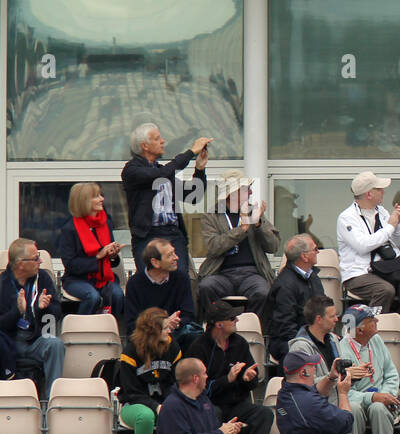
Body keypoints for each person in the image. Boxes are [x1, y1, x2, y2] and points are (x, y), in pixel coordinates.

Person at [185, 301, 271, 434]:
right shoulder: (198, 347)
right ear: (218, 324)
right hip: (209, 405)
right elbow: (196, 390)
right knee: (212, 414)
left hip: (236, 404)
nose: (237, 320)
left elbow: (252, 380)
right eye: (232, 318)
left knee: (264, 414)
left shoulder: (240, 343)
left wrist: (247, 379)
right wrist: (227, 379)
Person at [121, 123, 209, 271]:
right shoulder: (132, 170)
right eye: (157, 138)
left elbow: (194, 196)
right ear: (145, 146)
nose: (163, 141)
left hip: (173, 234)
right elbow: (157, 176)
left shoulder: (163, 171)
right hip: (147, 235)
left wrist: (199, 169)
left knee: (180, 278)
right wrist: (191, 152)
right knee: (149, 278)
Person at [197, 169, 280, 317]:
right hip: (221, 273)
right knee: (206, 287)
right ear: (232, 193)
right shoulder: (212, 215)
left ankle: (252, 331)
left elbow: (273, 246)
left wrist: (259, 224)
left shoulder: (254, 212)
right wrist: (242, 230)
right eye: (246, 189)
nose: (250, 193)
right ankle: (217, 328)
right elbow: (213, 247)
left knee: (262, 292)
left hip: (252, 273)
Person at [337, 304, 400, 434]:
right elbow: (342, 391)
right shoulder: (341, 351)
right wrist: (372, 397)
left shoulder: (376, 340)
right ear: (359, 330)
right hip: (357, 399)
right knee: (353, 409)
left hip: (380, 399)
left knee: (379, 408)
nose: (377, 320)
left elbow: (391, 374)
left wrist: (386, 395)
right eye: (372, 319)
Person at [337, 171, 400, 312]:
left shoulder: (382, 212)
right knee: (385, 290)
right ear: (369, 194)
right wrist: (390, 226)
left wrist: (397, 222)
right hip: (358, 274)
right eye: (379, 189)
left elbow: (399, 244)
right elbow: (363, 245)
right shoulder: (346, 218)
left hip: (386, 268)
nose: (383, 192)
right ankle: (373, 326)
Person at [1, 238, 64, 391]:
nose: (40, 261)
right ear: (20, 264)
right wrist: (18, 312)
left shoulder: (42, 279)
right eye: (36, 258)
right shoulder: (2, 285)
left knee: (55, 344)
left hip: (35, 339)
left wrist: (44, 308)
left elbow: (57, 313)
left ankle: (53, 400)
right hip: (10, 342)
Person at [117, 307, 184, 434]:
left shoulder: (172, 347)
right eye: (165, 328)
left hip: (164, 402)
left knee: (182, 409)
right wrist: (156, 406)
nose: (169, 331)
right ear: (153, 331)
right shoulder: (131, 350)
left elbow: (175, 383)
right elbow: (131, 392)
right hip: (134, 404)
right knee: (146, 416)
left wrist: (168, 404)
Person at [57, 182, 124, 317]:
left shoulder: (106, 223)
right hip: (77, 279)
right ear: (84, 202)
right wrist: (99, 256)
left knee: (117, 295)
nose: (102, 199)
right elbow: (70, 265)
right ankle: (81, 330)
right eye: (96, 196)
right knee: (92, 297)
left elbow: (112, 263)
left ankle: (111, 331)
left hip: (104, 278)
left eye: (101, 195)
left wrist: (112, 255)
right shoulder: (69, 229)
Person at [262, 234, 323, 362]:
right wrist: (307, 342)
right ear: (304, 256)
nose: (318, 252)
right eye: (315, 249)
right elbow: (285, 326)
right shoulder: (285, 285)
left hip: (312, 335)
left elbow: (324, 307)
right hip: (290, 342)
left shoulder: (313, 277)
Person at [122, 238, 198, 339]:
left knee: (193, 335)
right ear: (155, 262)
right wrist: (161, 325)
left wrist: (176, 323)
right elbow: (132, 323)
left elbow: (188, 314)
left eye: (174, 252)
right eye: (170, 255)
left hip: (175, 332)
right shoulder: (135, 283)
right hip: (148, 336)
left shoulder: (181, 278)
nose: (176, 257)